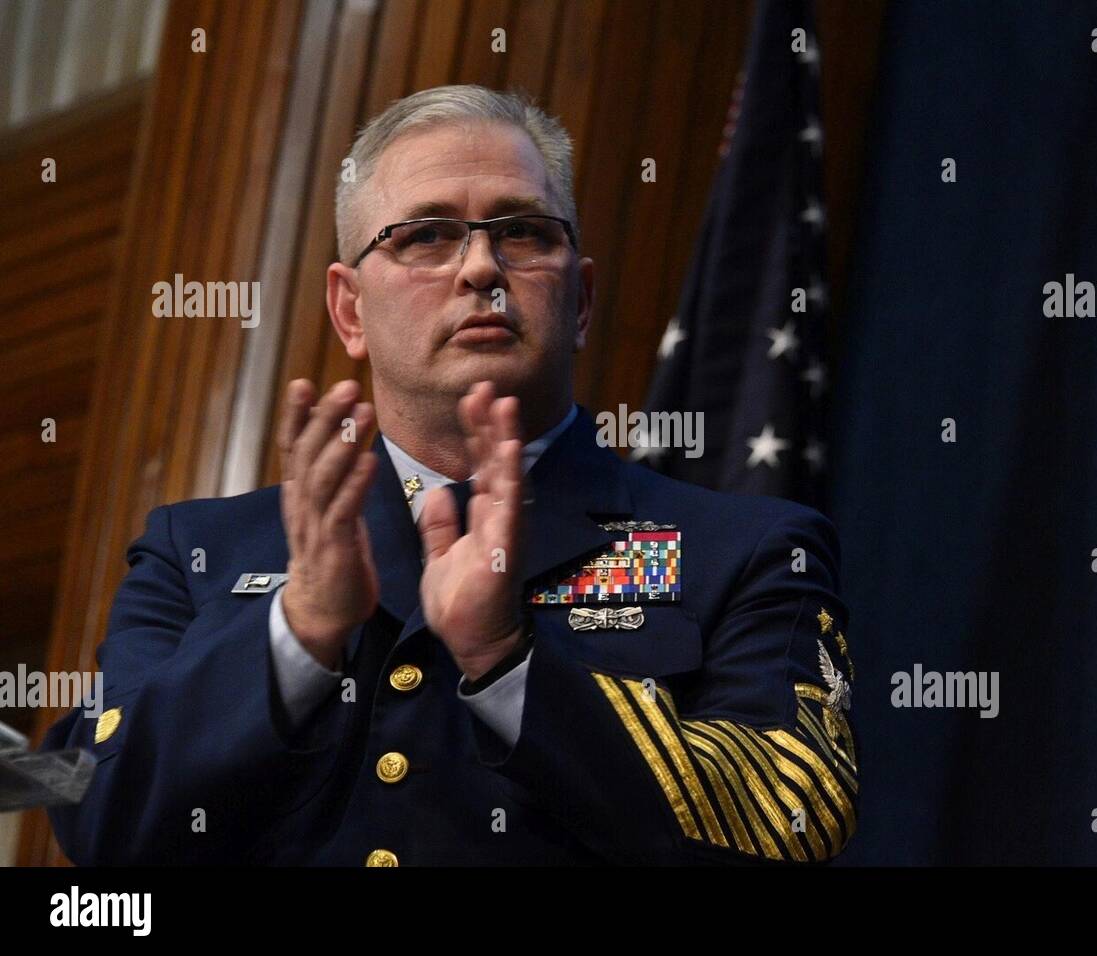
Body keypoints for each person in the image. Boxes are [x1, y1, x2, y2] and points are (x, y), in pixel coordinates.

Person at [41, 84, 858, 865]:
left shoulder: (745, 549)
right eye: (426, 236)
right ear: (350, 311)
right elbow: (88, 804)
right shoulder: (198, 550)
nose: (480, 269)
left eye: (523, 231)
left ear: (580, 301)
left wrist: (508, 663)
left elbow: (792, 816)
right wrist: (299, 631)